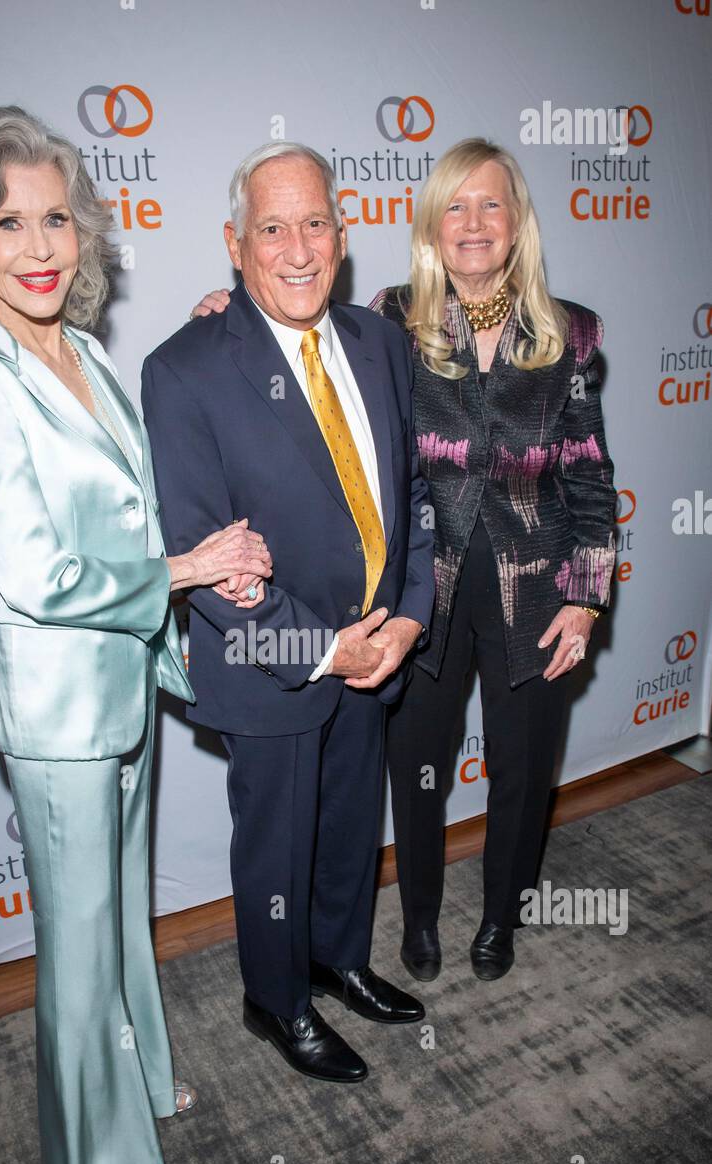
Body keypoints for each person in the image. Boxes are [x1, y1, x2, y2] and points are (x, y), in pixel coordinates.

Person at [0, 106, 272, 1164]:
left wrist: (208, 329)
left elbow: (123, 487)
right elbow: (36, 567)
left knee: (122, 923)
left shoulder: (86, 350)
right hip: (56, 704)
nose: (37, 244)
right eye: (5, 221)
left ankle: (146, 1085)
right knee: (74, 954)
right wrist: (187, 568)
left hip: (120, 679)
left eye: (55, 216)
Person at [192, 136, 617, 986]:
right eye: (454, 205)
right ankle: (418, 923)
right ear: (429, 223)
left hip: (536, 593)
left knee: (522, 770)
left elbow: (591, 477)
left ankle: (500, 920)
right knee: (415, 772)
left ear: (517, 221)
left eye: (490, 203)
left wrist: (587, 595)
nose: (472, 223)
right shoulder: (390, 319)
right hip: (423, 590)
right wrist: (226, 309)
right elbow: (286, 331)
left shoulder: (568, 333)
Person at [142, 142, 434, 1085]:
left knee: (353, 824)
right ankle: (276, 998)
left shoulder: (382, 343)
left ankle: (340, 960)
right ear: (236, 244)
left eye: (316, 224)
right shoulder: (183, 370)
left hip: (377, 647)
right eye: (273, 227)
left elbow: (414, 494)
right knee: (277, 845)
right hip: (278, 664)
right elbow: (203, 554)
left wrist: (410, 617)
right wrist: (324, 650)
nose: (298, 248)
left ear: (343, 239)